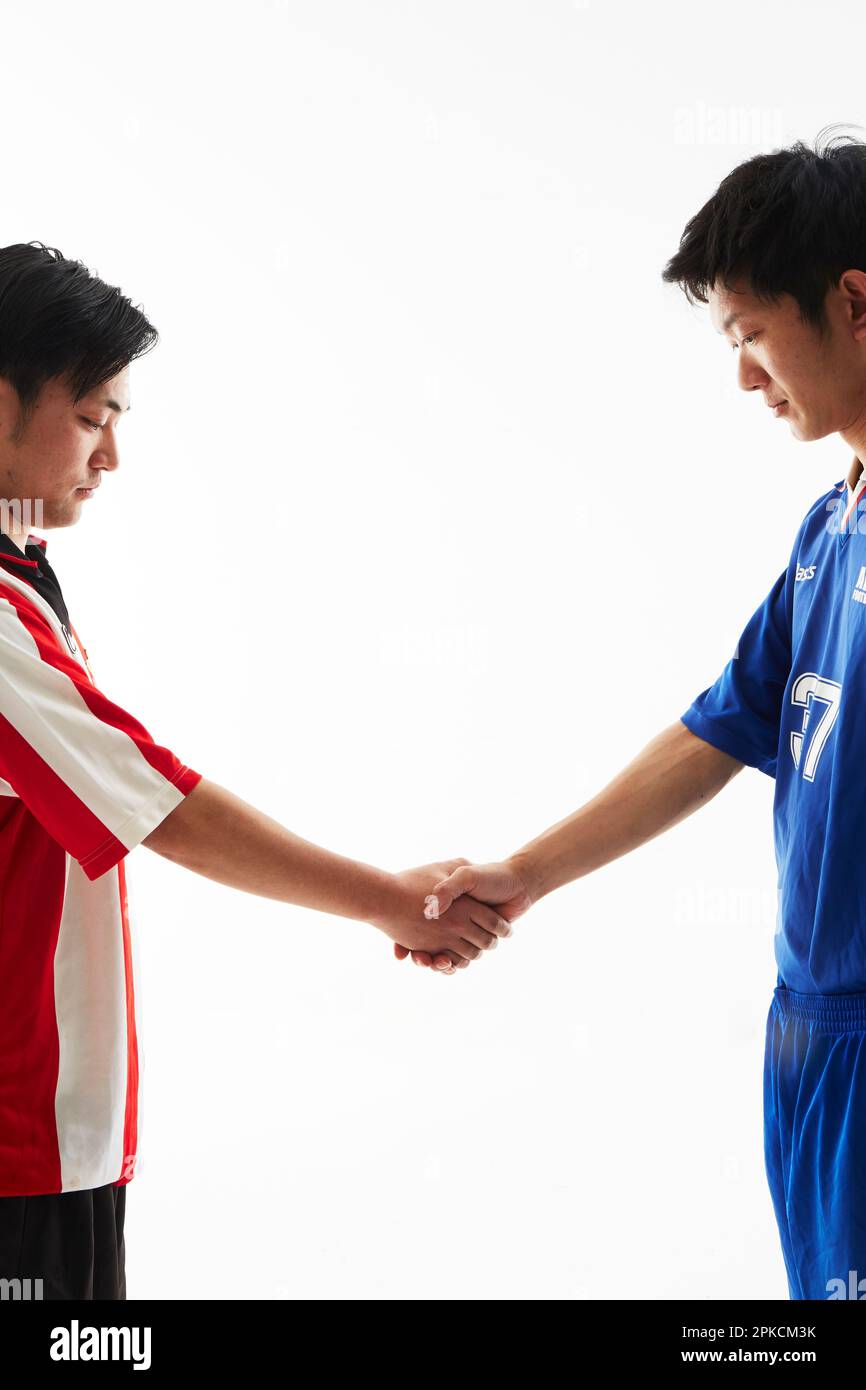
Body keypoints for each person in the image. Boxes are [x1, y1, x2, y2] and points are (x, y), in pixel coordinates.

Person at [404, 125, 866, 1301]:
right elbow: (716, 728)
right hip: (811, 1032)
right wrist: (525, 871)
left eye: (752, 335)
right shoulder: (829, 527)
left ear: (852, 301)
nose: (742, 376)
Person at [0, 241, 512, 1301]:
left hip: (51, 1129)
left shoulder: (24, 571)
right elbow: (156, 802)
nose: (110, 456)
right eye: (92, 416)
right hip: (17, 1142)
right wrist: (389, 901)